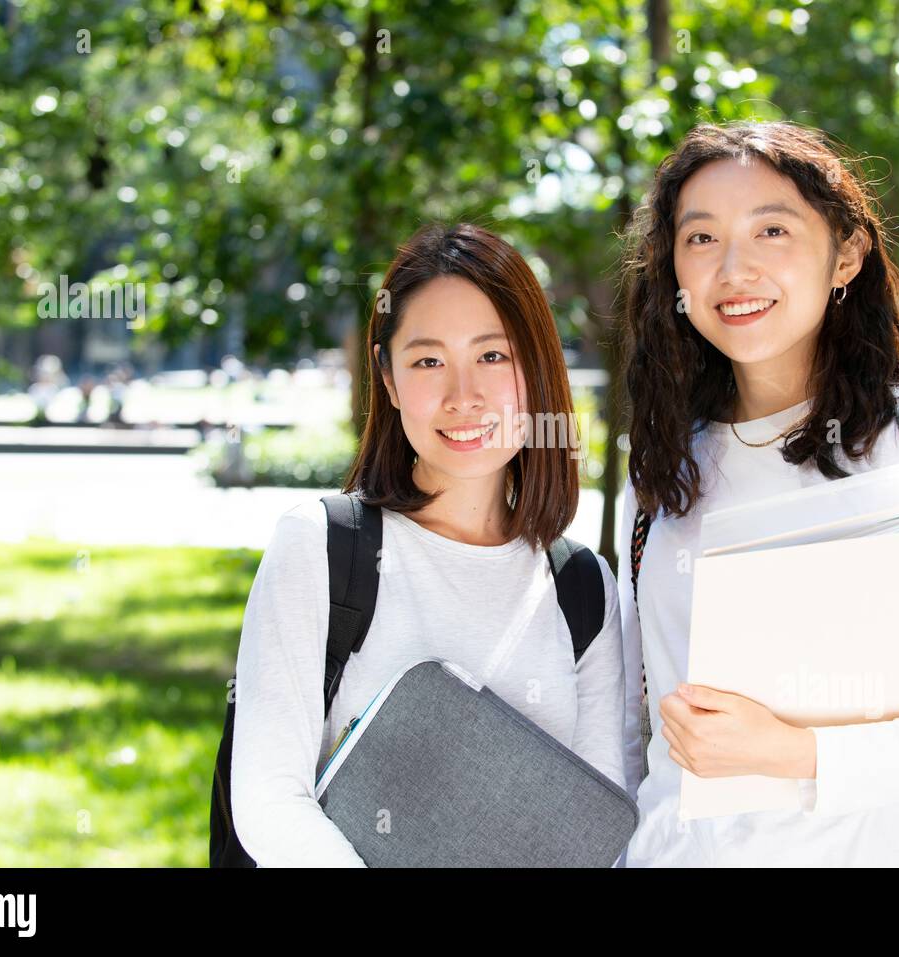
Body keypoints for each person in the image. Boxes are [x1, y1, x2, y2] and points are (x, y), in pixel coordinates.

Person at [616, 119, 899, 866]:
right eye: (701, 239)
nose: (733, 269)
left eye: (772, 230)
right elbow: (638, 732)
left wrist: (798, 751)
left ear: (845, 253)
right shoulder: (663, 462)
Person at [231, 223, 626, 866]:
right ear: (387, 382)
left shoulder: (582, 588)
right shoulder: (323, 548)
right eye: (428, 361)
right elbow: (270, 799)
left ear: (538, 369)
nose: (462, 396)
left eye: (492, 357)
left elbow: (592, 829)